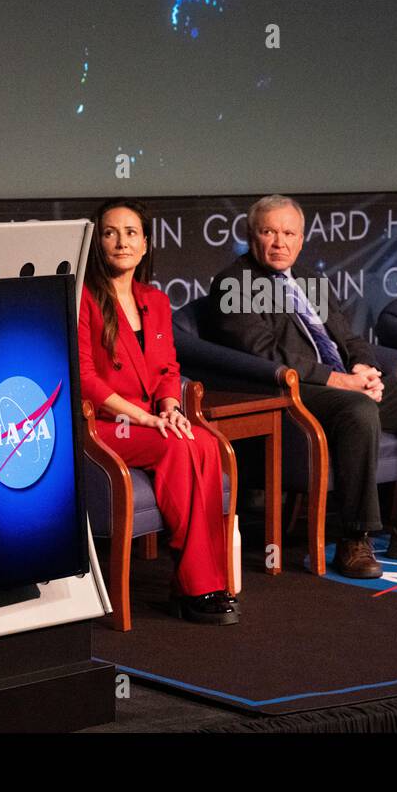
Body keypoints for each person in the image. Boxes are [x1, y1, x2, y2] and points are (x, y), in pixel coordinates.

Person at [209, 194, 397, 579]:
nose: (279, 242)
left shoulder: (310, 280)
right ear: (251, 235)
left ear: (301, 240)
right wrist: (343, 382)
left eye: (288, 233)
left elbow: (347, 337)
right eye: (269, 232)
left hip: (342, 383)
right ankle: (354, 538)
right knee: (359, 409)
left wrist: (365, 368)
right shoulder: (234, 284)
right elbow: (263, 355)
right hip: (292, 393)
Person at [79, 199, 239, 624]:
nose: (121, 241)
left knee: (202, 443)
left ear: (146, 243)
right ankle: (196, 587)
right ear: (96, 242)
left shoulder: (155, 299)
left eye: (131, 233)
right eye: (110, 232)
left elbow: (169, 368)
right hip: (104, 425)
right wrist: (143, 417)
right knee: (177, 449)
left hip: (149, 418)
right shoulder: (83, 299)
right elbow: (85, 377)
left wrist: (169, 407)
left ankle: (200, 581)